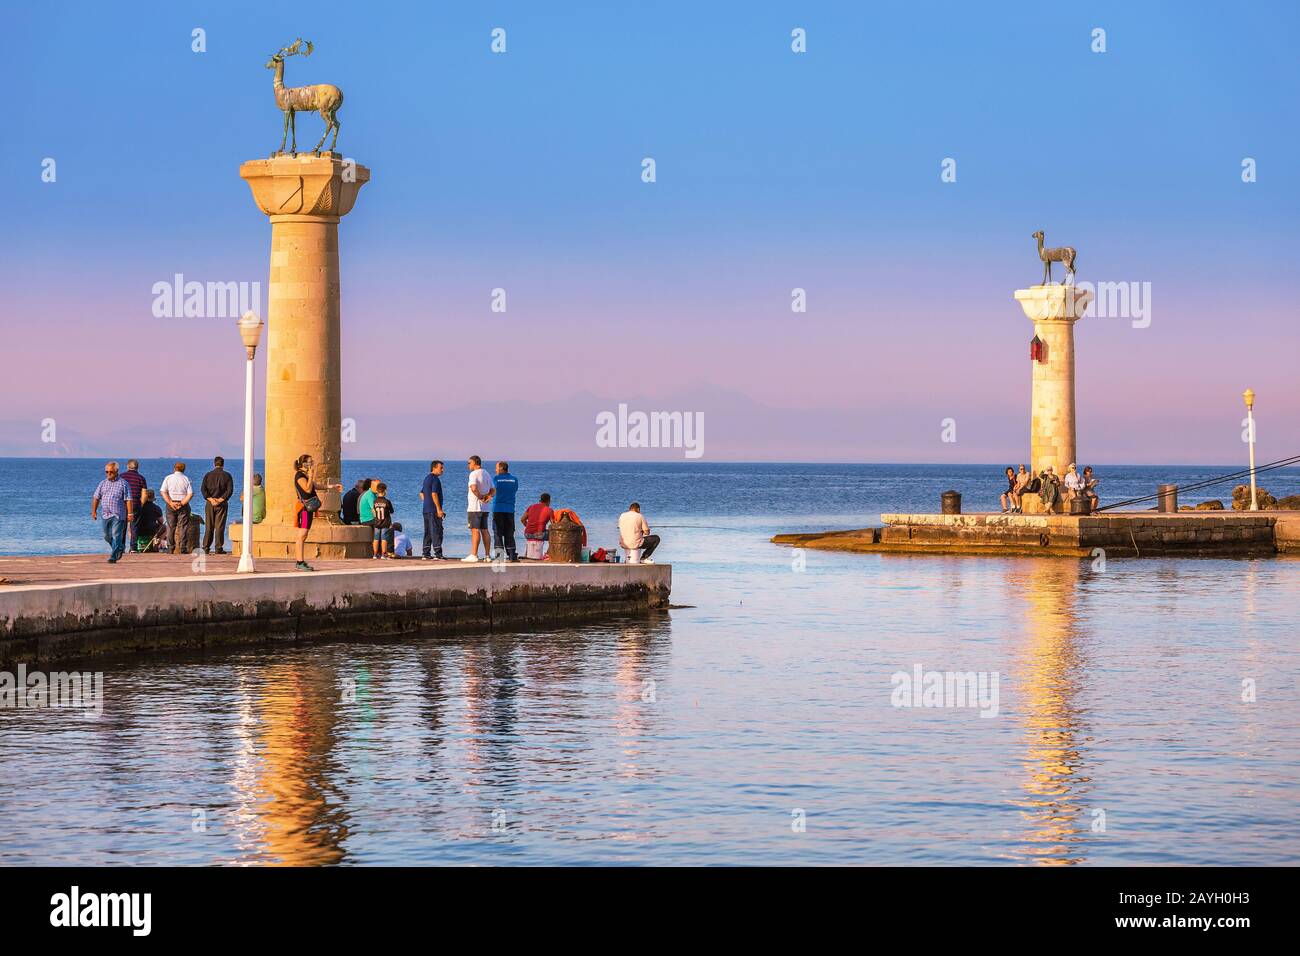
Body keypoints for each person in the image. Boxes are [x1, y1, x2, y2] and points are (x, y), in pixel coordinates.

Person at [293, 453, 343, 572]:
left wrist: (332, 487)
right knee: (302, 535)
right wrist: (311, 475)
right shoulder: (300, 475)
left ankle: (300, 561)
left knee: (303, 535)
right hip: (304, 509)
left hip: (309, 509)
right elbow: (308, 489)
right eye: (310, 462)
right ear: (304, 463)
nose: (312, 464)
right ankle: (299, 561)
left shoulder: (305, 475)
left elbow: (316, 486)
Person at [91, 460, 135, 563]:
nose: (108, 474)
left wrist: (130, 513)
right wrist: (94, 511)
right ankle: (119, 547)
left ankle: (113, 556)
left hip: (118, 515)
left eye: (111, 472)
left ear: (116, 471)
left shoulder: (123, 483)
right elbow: (96, 497)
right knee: (107, 536)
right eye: (106, 472)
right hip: (105, 514)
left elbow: (128, 499)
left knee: (116, 535)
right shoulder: (102, 483)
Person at [462, 456, 494, 562]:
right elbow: (493, 490)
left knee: (475, 530)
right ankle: (487, 556)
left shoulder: (473, 474)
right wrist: (488, 497)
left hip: (475, 508)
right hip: (485, 508)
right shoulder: (486, 473)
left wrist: (480, 497)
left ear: (475, 463)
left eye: (469, 463)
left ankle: (474, 555)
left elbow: (473, 488)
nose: (468, 465)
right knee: (485, 530)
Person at [200, 455, 234, 554]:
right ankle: (218, 548)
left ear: (214, 464)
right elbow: (230, 490)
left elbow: (203, 489)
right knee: (220, 526)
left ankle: (206, 547)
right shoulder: (227, 475)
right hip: (222, 504)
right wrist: (220, 500)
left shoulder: (208, 475)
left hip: (210, 503)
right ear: (223, 464)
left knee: (209, 526)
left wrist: (211, 499)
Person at [159, 461, 194, 558]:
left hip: (171, 504)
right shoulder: (186, 479)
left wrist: (170, 502)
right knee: (183, 526)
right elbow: (190, 494)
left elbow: (163, 491)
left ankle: (170, 548)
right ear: (184, 469)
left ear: (174, 468)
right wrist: (182, 503)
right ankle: (183, 548)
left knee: (171, 526)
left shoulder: (168, 478)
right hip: (183, 504)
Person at [490, 461, 519, 562]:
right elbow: (515, 490)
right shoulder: (514, 479)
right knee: (509, 533)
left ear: (501, 468)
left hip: (498, 509)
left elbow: (492, 492)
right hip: (510, 510)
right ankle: (512, 556)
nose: (495, 470)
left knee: (497, 533)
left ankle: (499, 557)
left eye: (496, 468)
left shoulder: (495, 479)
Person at [120, 459, 148, 553]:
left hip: (122, 505)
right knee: (134, 526)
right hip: (135, 504)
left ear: (128, 466)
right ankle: (133, 548)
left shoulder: (121, 477)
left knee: (122, 526)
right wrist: (141, 504)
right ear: (137, 467)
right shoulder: (141, 478)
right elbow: (144, 494)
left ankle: (121, 547)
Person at [420, 461, 446, 559]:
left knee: (428, 531)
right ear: (434, 468)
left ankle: (426, 553)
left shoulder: (427, 478)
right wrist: (439, 509)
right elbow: (434, 494)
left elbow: (421, 493)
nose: (442, 470)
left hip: (426, 509)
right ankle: (438, 554)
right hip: (433, 510)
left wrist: (427, 501)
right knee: (436, 531)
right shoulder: (435, 479)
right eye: (441, 468)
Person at [522, 492, 554, 560]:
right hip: (539, 535)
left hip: (527, 534)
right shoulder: (549, 510)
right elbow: (553, 525)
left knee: (531, 535)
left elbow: (522, 519)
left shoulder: (531, 507)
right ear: (549, 501)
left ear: (540, 500)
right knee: (555, 535)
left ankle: (526, 553)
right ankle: (548, 554)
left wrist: (529, 527)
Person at [371, 481, 395, 559]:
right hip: (385, 522)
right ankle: (383, 554)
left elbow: (374, 510)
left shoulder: (375, 501)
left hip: (377, 522)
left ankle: (375, 554)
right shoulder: (387, 501)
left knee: (376, 539)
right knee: (384, 538)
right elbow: (391, 511)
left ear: (377, 491)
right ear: (385, 491)